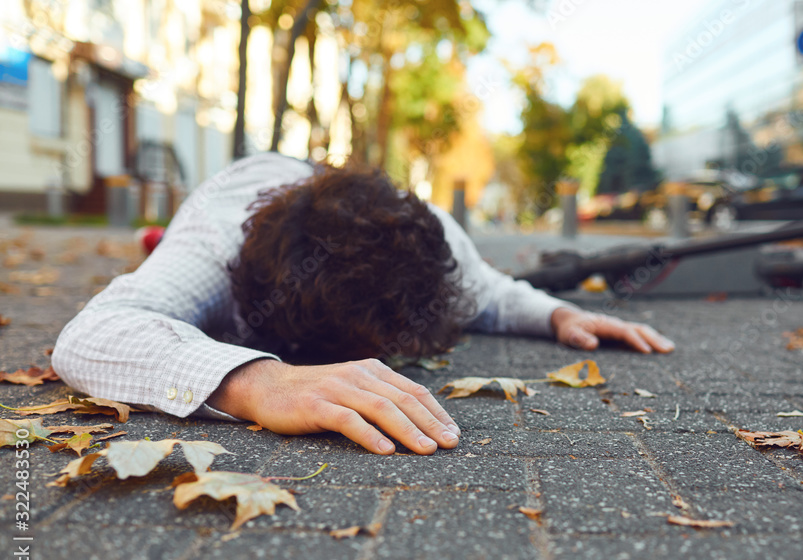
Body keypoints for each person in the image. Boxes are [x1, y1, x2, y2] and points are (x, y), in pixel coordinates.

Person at [52, 153, 673, 456]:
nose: (375, 367)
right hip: (235, 199)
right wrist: (258, 382)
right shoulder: (216, 244)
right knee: (157, 275)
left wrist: (560, 315)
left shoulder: (437, 235)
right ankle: (152, 242)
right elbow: (90, 335)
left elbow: (491, 293)